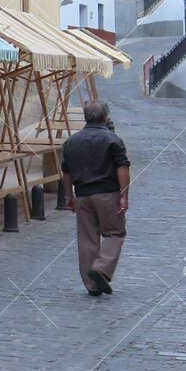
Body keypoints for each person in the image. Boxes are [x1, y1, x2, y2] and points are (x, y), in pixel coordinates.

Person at [59, 99, 130, 296]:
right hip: (108, 193)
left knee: (87, 239)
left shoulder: (71, 142)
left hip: (82, 195)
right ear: (105, 117)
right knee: (115, 233)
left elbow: (66, 172)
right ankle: (102, 267)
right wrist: (124, 195)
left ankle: (92, 285)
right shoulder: (113, 140)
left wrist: (68, 196)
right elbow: (122, 167)